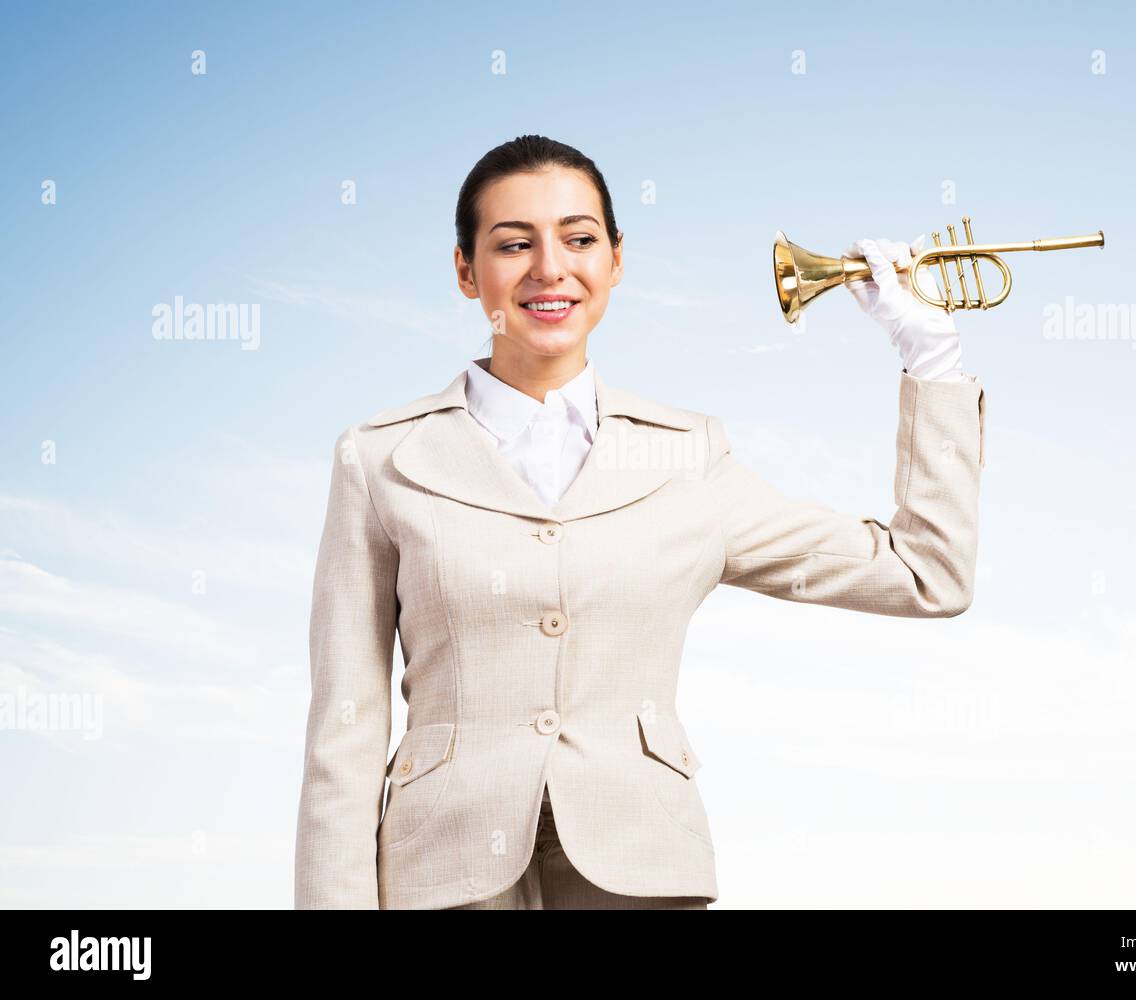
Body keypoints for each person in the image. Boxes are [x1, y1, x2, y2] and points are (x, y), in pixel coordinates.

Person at [293, 134, 985, 910]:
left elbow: (928, 575)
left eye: (579, 240)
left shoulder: (688, 460)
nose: (550, 269)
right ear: (465, 270)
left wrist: (931, 361)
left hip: (641, 867)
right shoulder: (381, 459)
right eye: (513, 244)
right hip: (440, 873)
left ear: (616, 260)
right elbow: (343, 730)